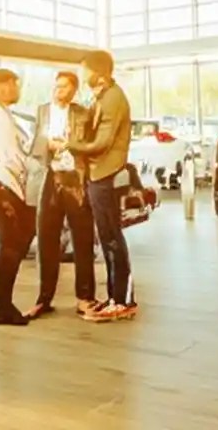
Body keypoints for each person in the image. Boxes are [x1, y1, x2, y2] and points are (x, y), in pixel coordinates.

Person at [56, 50, 136, 322]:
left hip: (106, 174)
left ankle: (123, 301)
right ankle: (116, 297)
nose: (82, 76)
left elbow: (101, 143)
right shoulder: (104, 95)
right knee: (108, 237)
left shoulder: (113, 99)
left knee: (112, 237)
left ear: (98, 72)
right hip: (99, 173)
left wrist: (70, 145)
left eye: (84, 71)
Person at [24, 70, 98, 319]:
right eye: (56, 86)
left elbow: (89, 146)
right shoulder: (43, 110)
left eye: (64, 87)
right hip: (51, 177)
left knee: (83, 239)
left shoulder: (82, 114)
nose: (58, 91)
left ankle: (85, 298)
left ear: (74, 90)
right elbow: (35, 145)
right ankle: (44, 298)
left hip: (75, 179)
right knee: (46, 238)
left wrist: (71, 147)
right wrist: (48, 145)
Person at [0, 68, 35, 327]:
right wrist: (30, 169)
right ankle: (1, 307)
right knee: (11, 245)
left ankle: (3, 304)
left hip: (9, 185)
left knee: (16, 242)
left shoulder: (7, 115)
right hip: (2, 185)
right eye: (6, 84)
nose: (13, 87)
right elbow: (10, 155)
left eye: (15, 83)